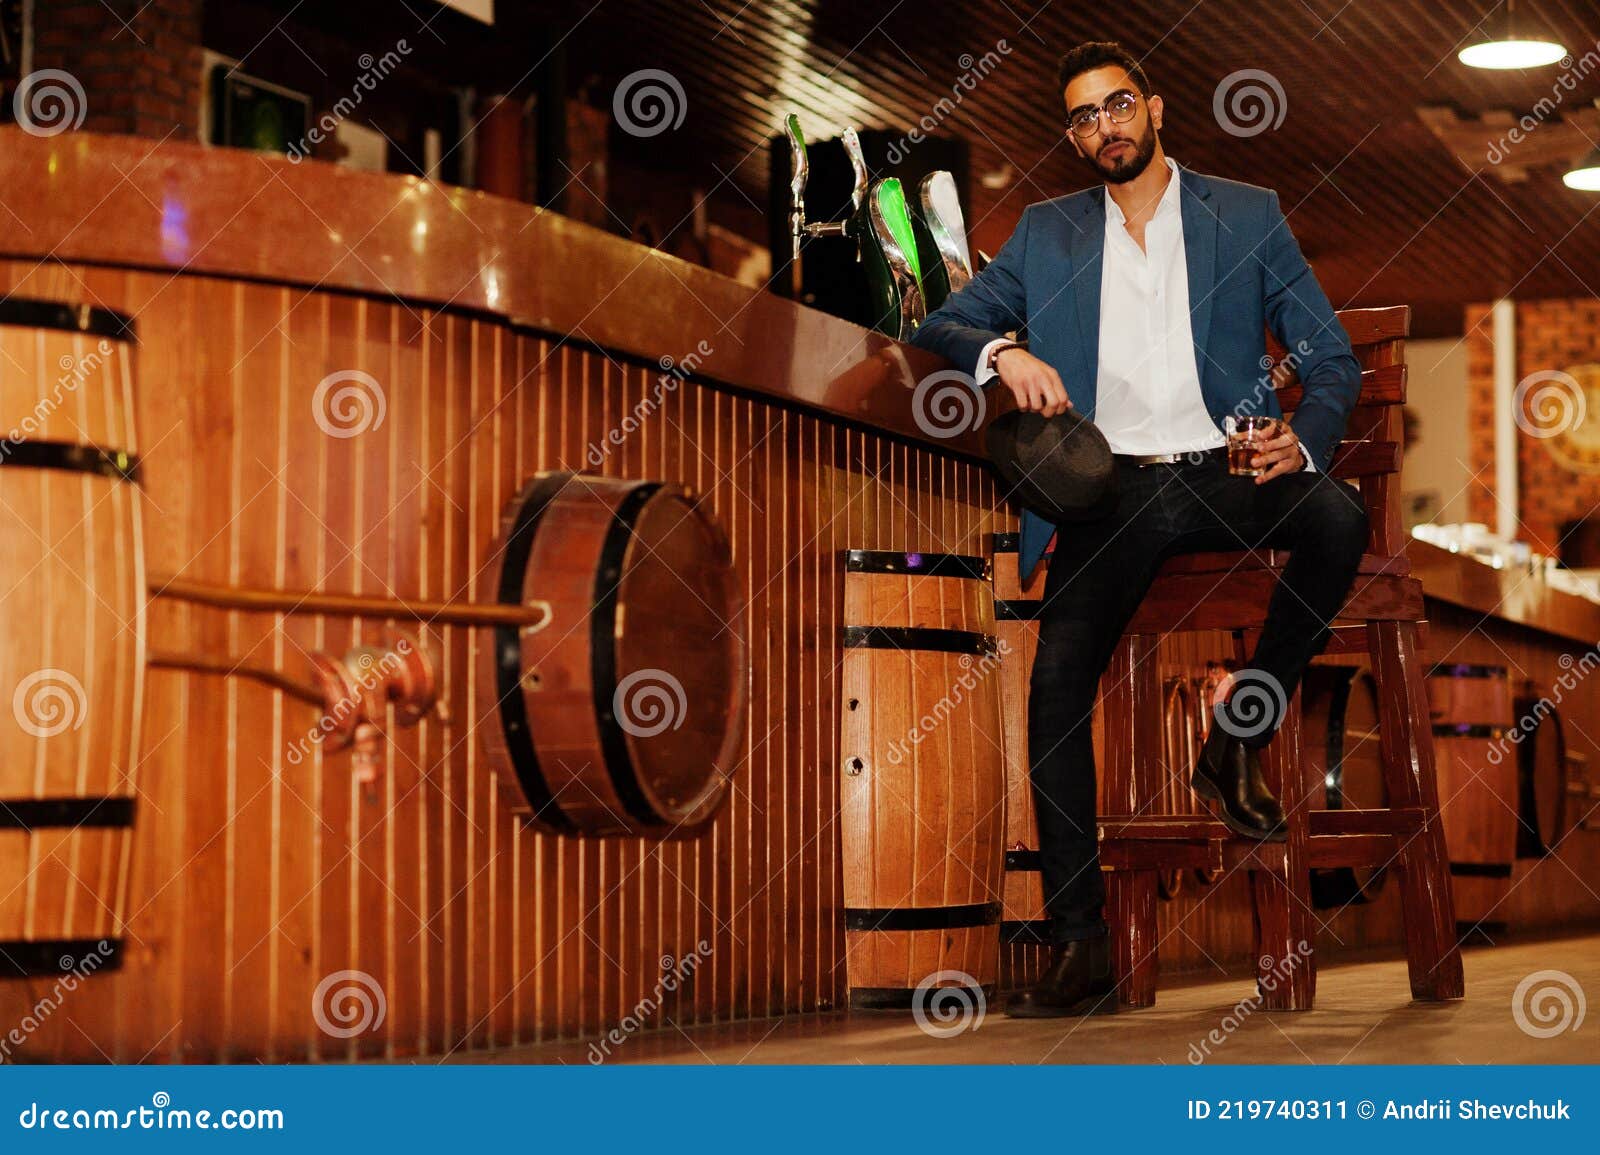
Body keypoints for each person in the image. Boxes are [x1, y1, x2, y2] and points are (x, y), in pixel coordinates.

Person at [911, 40, 1368, 1018]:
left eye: (1116, 106)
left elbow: (1331, 358)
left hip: (1223, 473)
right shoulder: (1044, 233)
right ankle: (1082, 946)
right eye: (1081, 117)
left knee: (1335, 517)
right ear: (1071, 137)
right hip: (1107, 493)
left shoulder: (1243, 214)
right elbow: (941, 323)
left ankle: (1234, 737)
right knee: (1055, 686)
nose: (1103, 127)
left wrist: (1305, 441)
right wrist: (1001, 352)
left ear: (1153, 109)